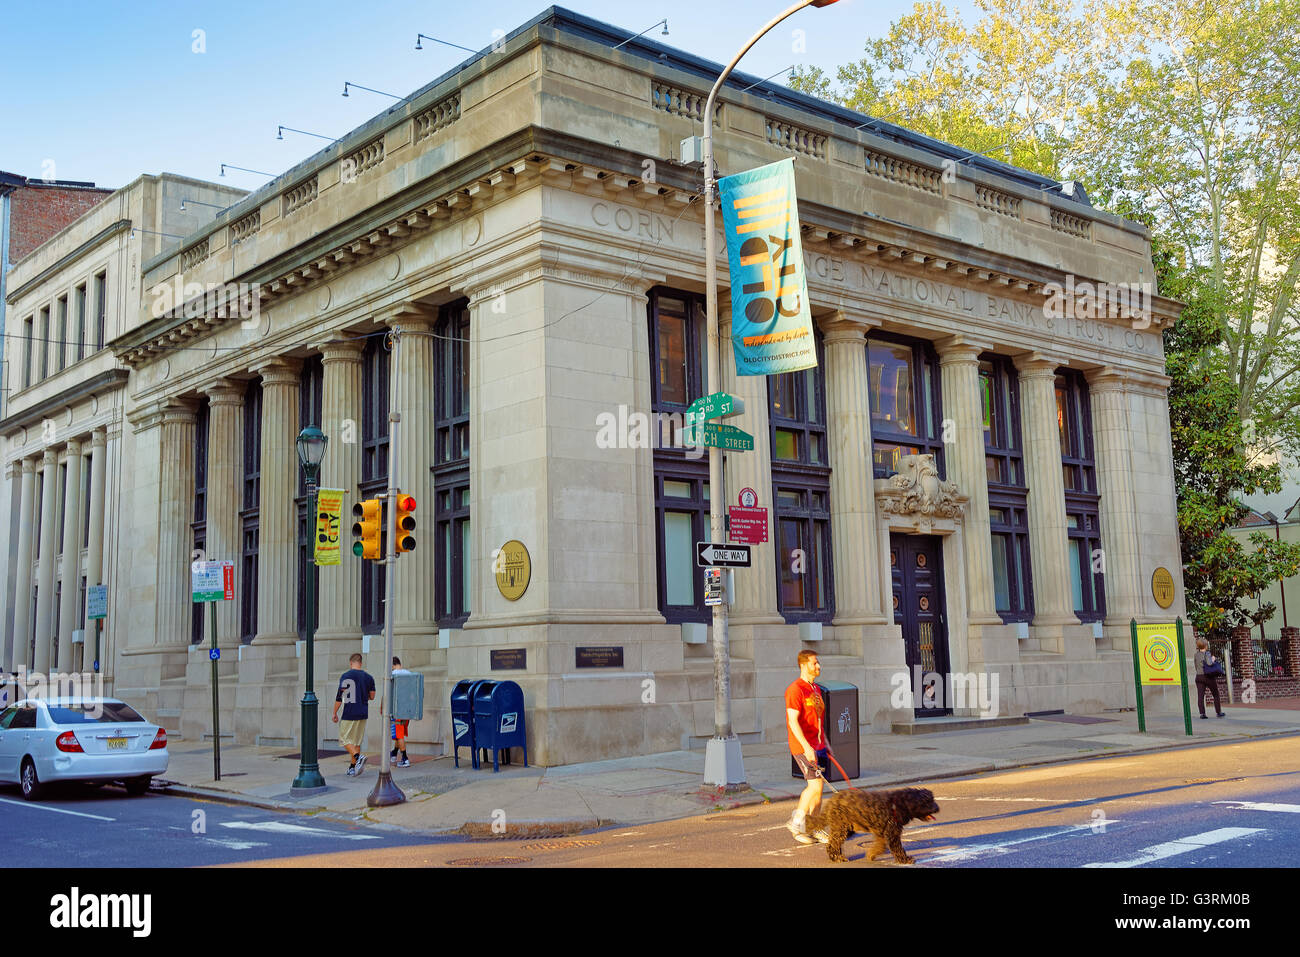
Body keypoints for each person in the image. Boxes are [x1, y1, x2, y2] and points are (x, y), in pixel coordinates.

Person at [786, 650, 833, 844]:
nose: (818, 666)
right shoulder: (795, 689)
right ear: (804, 665)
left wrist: (826, 743)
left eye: (818, 662)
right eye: (815, 663)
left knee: (818, 789)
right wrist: (806, 746)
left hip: (818, 744)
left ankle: (815, 828)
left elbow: (818, 720)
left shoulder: (816, 689)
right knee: (815, 785)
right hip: (803, 746)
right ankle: (796, 822)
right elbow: (792, 721)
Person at [332, 653, 376, 775]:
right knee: (356, 742)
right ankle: (352, 767)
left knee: (344, 739)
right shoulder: (369, 677)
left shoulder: (345, 676)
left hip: (349, 712)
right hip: (362, 712)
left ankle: (358, 757)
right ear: (360, 663)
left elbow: (339, 697)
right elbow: (372, 696)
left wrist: (334, 712)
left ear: (351, 663)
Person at [389, 656, 413, 767]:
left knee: (399, 735)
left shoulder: (393, 675)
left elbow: (388, 693)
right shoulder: (409, 674)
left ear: (392, 665)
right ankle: (394, 753)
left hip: (397, 709)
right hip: (407, 709)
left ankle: (405, 758)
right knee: (400, 733)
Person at [1194, 637, 1225, 719]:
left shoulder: (1196, 655)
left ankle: (1202, 714)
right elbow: (1209, 663)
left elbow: (1196, 666)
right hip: (1208, 677)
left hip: (1199, 677)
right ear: (1206, 645)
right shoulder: (1207, 653)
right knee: (1215, 694)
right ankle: (1218, 712)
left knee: (1200, 696)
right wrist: (1213, 659)